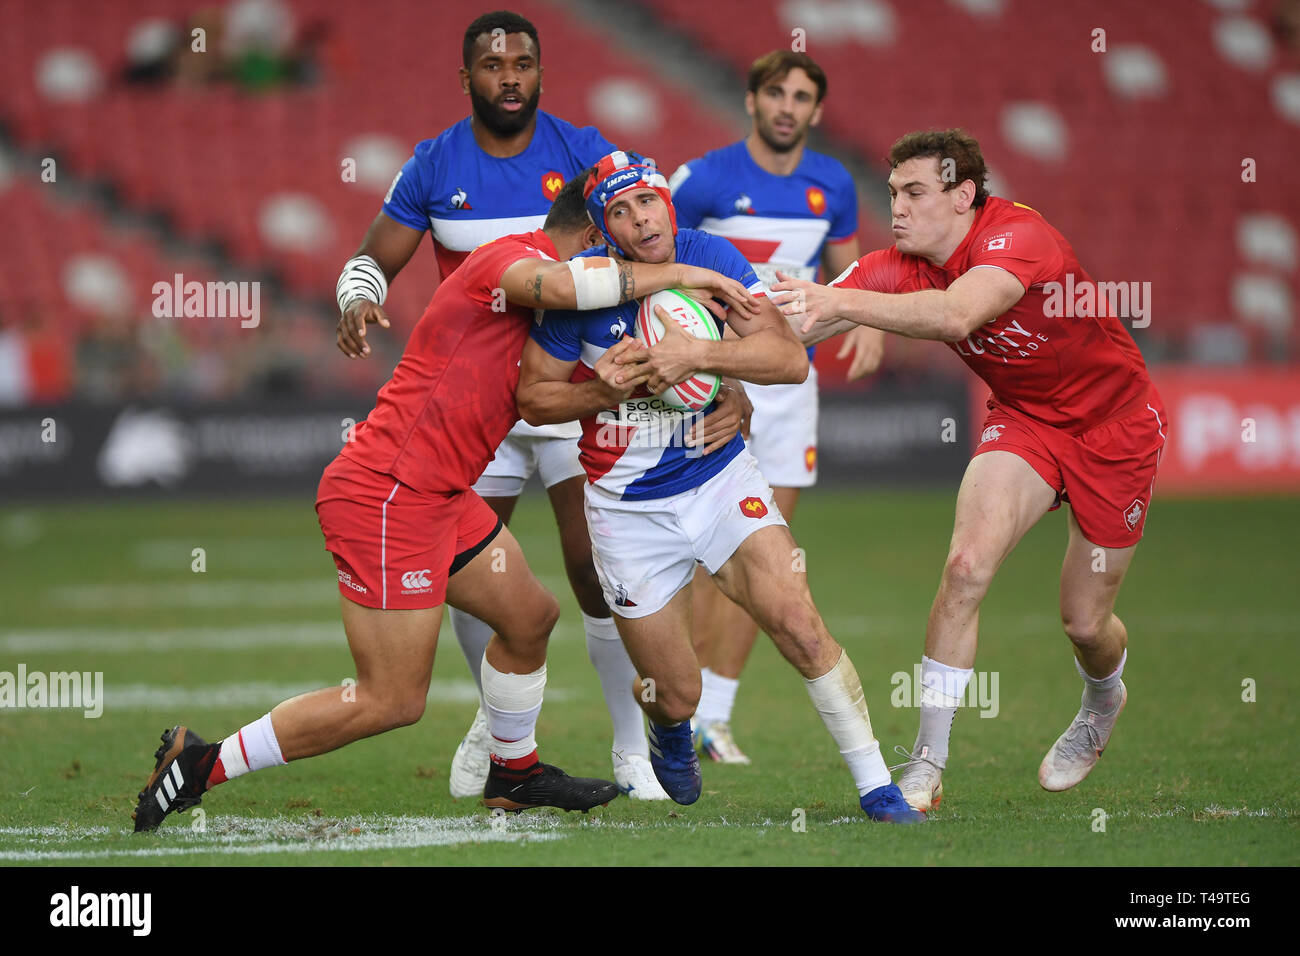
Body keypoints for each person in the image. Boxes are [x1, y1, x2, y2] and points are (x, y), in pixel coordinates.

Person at [132, 172, 757, 831]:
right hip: (387, 490)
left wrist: (722, 386)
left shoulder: (573, 318)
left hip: (439, 493)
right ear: (596, 235)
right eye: (618, 233)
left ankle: (514, 772)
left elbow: (568, 391)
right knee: (393, 698)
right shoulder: (514, 258)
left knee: (529, 618)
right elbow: (563, 286)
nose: (632, 245)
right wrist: (687, 274)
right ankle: (198, 765)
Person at [516, 152, 923, 823]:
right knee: (676, 692)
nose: (640, 219)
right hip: (626, 510)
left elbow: (789, 358)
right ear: (602, 229)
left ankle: (878, 785)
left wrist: (701, 356)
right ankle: (671, 729)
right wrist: (602, 389)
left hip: (719, 478)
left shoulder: (715, 257)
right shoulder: (581, 288)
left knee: (798, 621)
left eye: (647, 201)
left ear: (666, 203)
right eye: (619, 211)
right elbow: (532, 399)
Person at [773, 128, 1167, 814]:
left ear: (962, 197)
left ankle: (1103, 698)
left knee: (1083, 623)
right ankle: (927, 764)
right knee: (964, 569)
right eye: (893, 192)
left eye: (915, 193)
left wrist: (839, 303)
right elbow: (797, 319)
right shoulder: (899, 263)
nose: (896, 207)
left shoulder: (1017, 235)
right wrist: (690, 334)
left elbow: (958, 316)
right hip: (1026, 421)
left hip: (1115, 429)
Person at [335, 11, 668, 800]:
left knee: (595, 569)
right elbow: (372, 255)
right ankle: (498, 730)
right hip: (474, 412)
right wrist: (357, 297)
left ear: (541, 73)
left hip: (566, 392)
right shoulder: (432, 163)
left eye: (524, 62)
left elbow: (652, 224)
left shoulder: (586, 154)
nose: (509, 76)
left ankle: (630, 749)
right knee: (468, 573)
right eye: (493, 65)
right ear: (467, 79)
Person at [668, 49, 885, 764]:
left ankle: (715, 719)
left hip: (793, 386)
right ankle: (683, 705)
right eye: (776, 93)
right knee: (710, 553)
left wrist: (872, 324)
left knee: (772, 556)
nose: (788, 106)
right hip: (711, 381)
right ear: (753, 102)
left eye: (801, 96)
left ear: (817, 111)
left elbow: (853, 274)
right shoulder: (702, 180)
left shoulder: (834, 185)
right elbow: (663, 269)